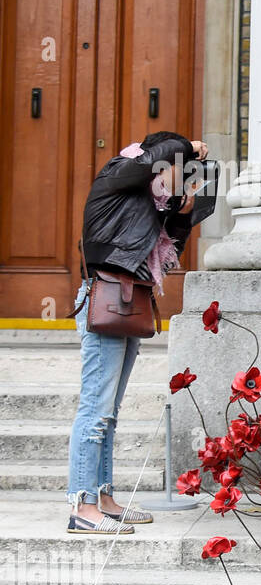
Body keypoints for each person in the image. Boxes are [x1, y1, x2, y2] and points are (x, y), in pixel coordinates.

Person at [66, 131, 210, 535]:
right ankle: (81, 505)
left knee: (107, 415)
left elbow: (167, 252)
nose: (174, 173)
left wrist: (181, 212)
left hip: (131, 300)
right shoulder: (117, 175)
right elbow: (155, 157)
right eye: (172, 165)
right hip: (105, 297)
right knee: (95, 410)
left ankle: (104, 499)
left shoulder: (147, 202)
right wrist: (188, 146)